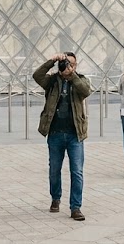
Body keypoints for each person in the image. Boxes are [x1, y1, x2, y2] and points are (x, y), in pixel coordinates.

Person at [34, 52, 91, 222]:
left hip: (75, 134)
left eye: (71, 64)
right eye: (65, 63)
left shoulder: (80, 79)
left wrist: (71, 75)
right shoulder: (51, 81)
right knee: (54, 170)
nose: (67, 66)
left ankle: (76, 207)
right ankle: (55, 198)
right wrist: (51, 61)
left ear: (76, 65)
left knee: (77, 171)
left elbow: (86, 91)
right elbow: (36, 76)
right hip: (55, 133)